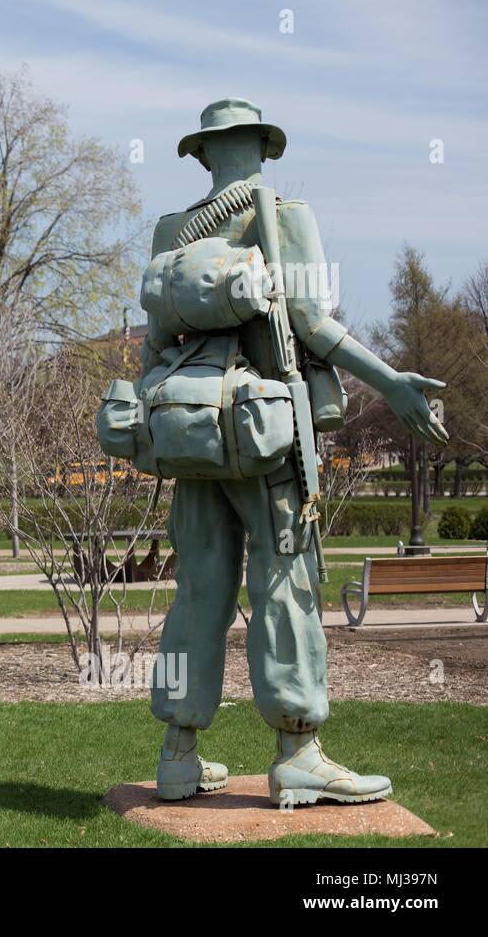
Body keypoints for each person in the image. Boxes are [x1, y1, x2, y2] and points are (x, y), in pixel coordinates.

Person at [144, 99, 448, 805]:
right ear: (260, 146)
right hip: (267, 435)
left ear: (203, 153)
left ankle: (177, 754)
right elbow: (311, 323)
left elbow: (155, 346)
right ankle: (298, 750)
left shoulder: (169, 233)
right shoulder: (286, 216)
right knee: (286, 585)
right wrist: (389, 380)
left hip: (194, 438)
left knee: (197, 591)